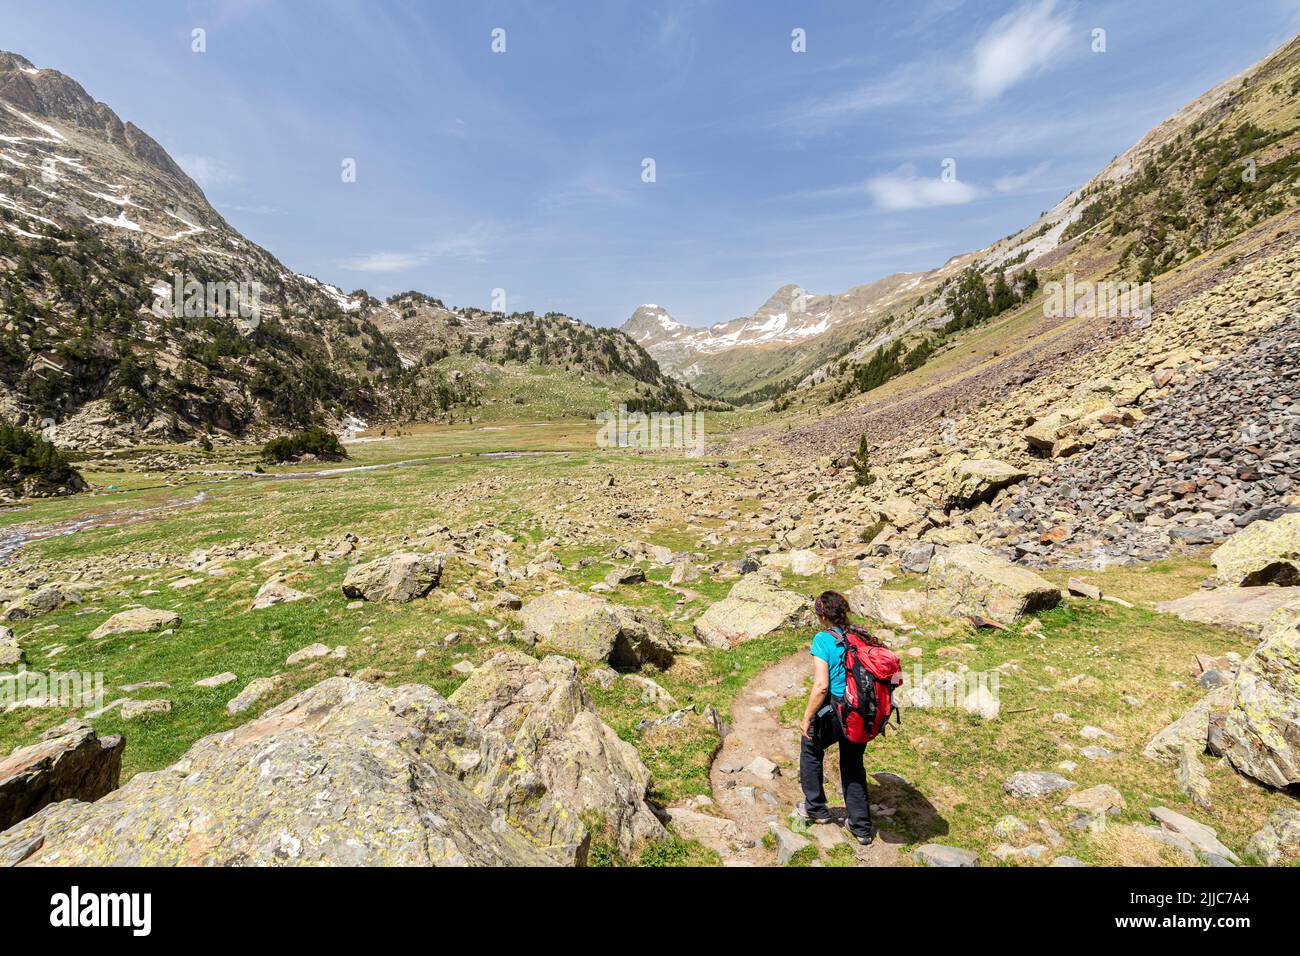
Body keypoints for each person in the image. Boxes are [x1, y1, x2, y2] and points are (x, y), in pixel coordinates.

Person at [795, 590, 880, 844]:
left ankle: (816, 808)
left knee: (810, 747)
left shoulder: (822, 639)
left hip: (837, 710)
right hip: (863, 712)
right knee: (853, 764)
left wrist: (807, 717)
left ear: (822, 616)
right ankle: (862, 828)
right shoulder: (861, 635)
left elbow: (821, 686)